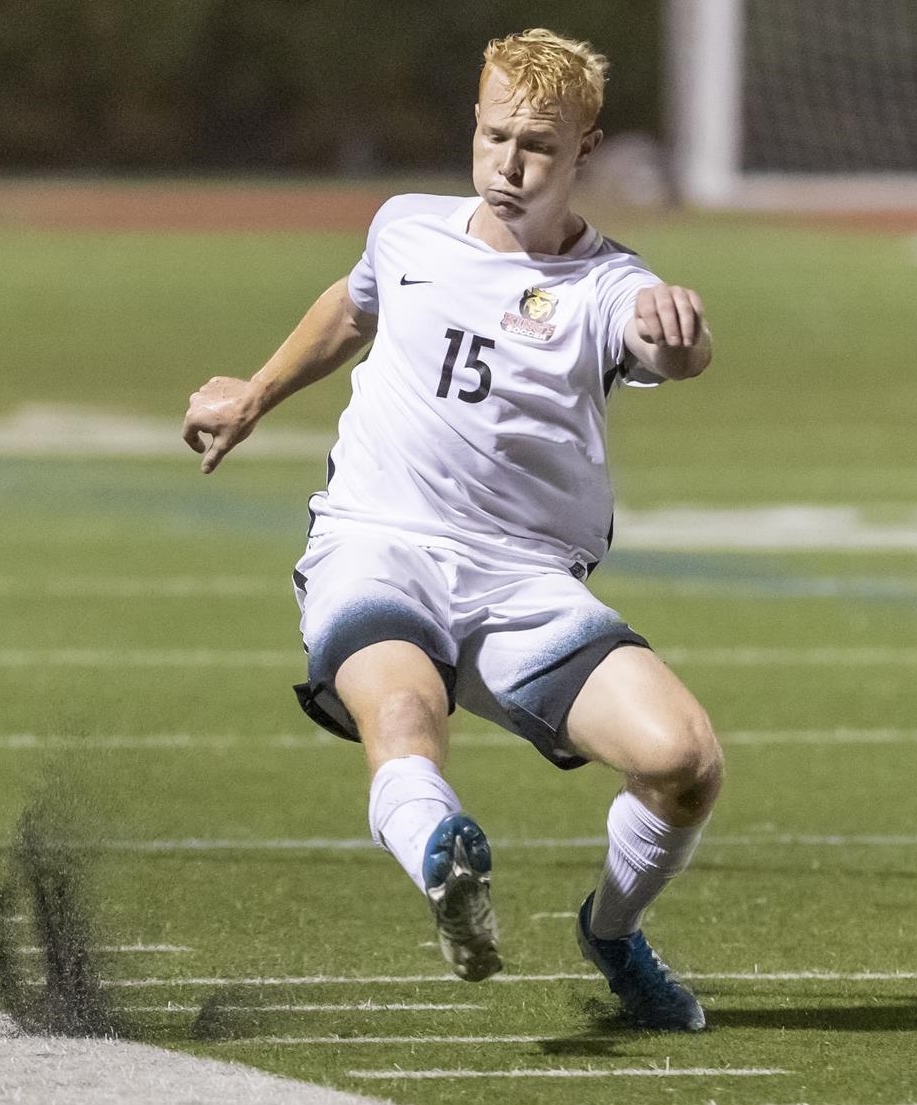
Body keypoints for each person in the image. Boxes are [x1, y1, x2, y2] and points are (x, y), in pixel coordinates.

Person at [180, 28, 720, 1032]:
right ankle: (445, 860)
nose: (509, 166)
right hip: (378, 543)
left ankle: (611, 931)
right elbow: (355, 305)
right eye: (494, 138)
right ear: (473, 124)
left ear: (585, 151)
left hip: (522, 583)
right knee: (401, 715)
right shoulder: (406, 228)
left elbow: (657, 342)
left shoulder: (606, 284)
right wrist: (255, 392)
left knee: (684, 761)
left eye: (538, 148)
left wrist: (677, 334)